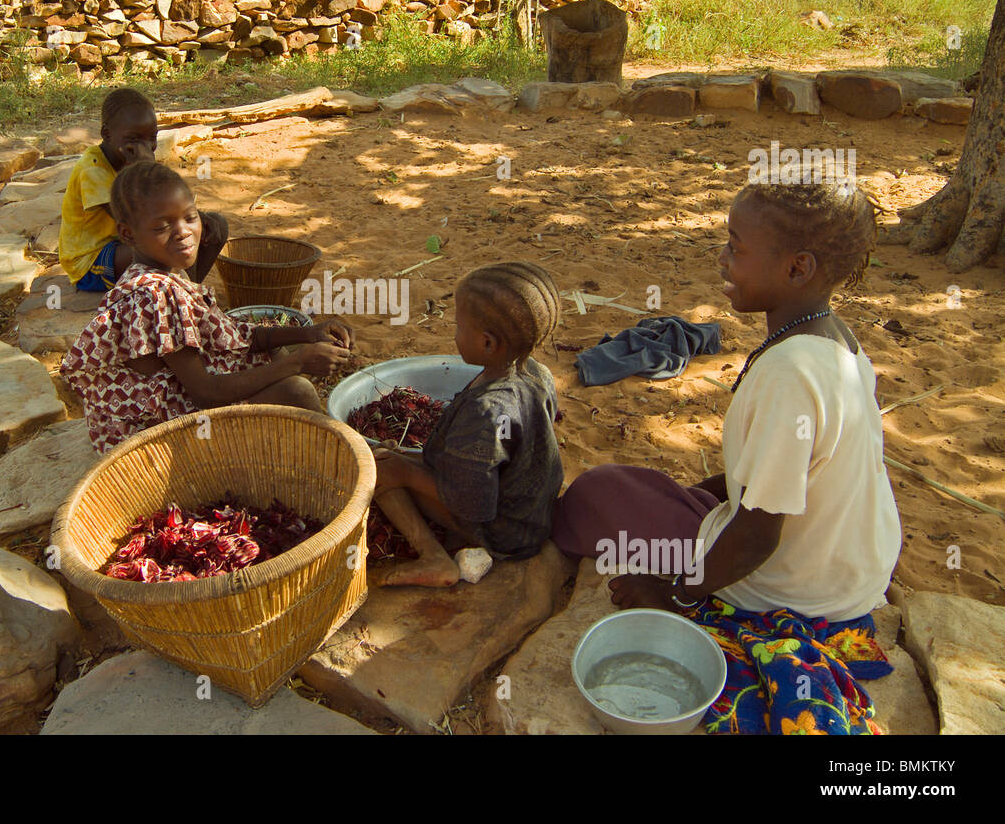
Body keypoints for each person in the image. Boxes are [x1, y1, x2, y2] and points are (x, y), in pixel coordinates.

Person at [553, 176, 902, 734]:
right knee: (648, 487)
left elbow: (759, 534)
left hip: (785, 586)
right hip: (850, 570)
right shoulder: (837, 342)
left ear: (797, 268)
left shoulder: (790, 376)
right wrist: (705, 495)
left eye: (736, 248)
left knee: (596, 496)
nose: (722, 260)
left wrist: (677, 594)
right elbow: (785, 478)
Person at [61, 161, 354, 454]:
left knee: (272, 355)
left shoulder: (169, 271)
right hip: (152, 438)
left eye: (190, 217)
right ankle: (335, 458)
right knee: (296, 391)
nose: (183, 232)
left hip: (179, 403)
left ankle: (326, 452)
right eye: (163, 226)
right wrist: (298, 362)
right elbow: (205, 393)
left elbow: (235, 336)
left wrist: (308, 334)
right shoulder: (154, 294)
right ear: (127, 235)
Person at [372, 262, 563, 587]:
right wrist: (412, 460)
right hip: (533, 517)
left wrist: (405, 471)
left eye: (459, 326)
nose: (455, 333)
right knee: (393, 459)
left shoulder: (486, 411)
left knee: (381, 472)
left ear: (488, 344)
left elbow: (472, 503)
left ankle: (433, 557)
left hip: (502, 532)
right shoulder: (537, 373)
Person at [59, 88, 227, 292]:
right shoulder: (92, 169)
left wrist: (199, 219)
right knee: (165, 245)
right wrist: (145, 165)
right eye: (134, 139)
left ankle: (185, 291)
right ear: (107, 134)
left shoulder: (128, 160)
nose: (146, 147)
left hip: (126, 243)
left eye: (151, 138)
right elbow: (138, 216)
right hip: (90, 262)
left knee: (216, 225)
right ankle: (180, 292)